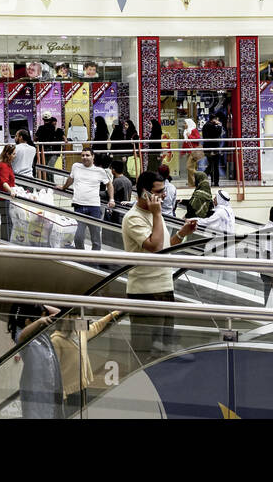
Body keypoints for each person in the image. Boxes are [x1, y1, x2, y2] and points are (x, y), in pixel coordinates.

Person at [122, 171, 197, 357]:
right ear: (145, 193)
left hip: (164, 286)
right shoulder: (133, 217)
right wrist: (156, 214)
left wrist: (181, 233)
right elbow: (154, 247)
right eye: (159, 191)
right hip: (144, 292)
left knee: (164, 348)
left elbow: (164, 247)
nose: (164, 194)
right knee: (145, 351)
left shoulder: (156, 214)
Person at [61, 149, 111, 252]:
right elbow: (71, 179)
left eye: (87, 155)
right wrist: (63, 187)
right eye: (82, 155)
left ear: (93, 157)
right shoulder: (76, 166)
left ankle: (95, 259)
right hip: (78, 206)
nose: (84, 157)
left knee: (95, 237)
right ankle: (82, 258)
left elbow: (109, 185)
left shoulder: (100, 171)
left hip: (94, 207)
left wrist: (112, 199)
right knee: (78, 237)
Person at [0, 144, 19, 242]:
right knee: (7, 221)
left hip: (5, 196)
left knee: (8, 220)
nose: (15, 155)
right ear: (8, 154)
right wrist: (12, 191)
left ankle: (6, 240)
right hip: (3, 197)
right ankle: (5, 241)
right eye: (13, 154)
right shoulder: (4, 166)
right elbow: (4, 182)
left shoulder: (6, 164)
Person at [201, 113, 225, 186]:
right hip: (213, 149)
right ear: (214, 119)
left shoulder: (206, 125)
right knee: (214, 166)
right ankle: (204, 178)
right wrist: (219, 125)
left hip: (208, 149)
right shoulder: (211, 126)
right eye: (217, 119)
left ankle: (212, 181)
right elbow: (217, 134)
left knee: (212, 165)